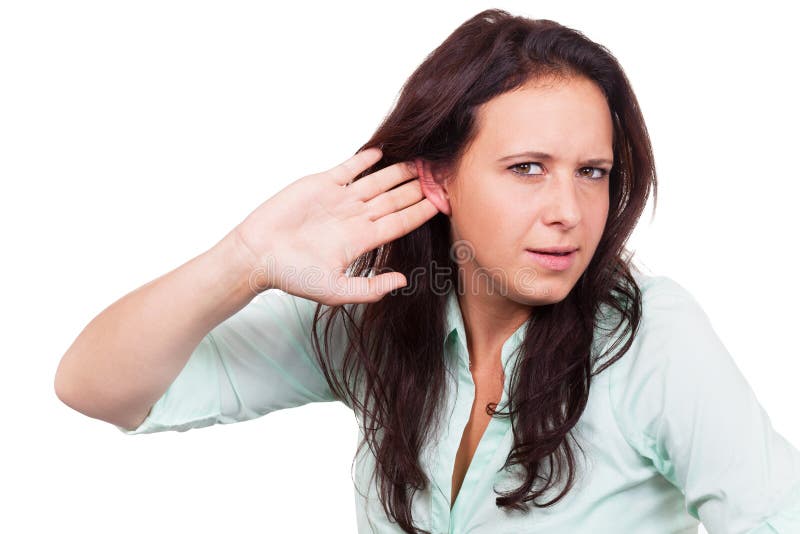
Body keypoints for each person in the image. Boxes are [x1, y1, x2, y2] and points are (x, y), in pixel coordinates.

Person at [53, 8, 800, 534]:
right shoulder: (376, 319)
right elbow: (97, 387)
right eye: (527, 168)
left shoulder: (650, 338)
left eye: (593, 171)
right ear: (438, 179)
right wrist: (242, 262)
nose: (569, 210)